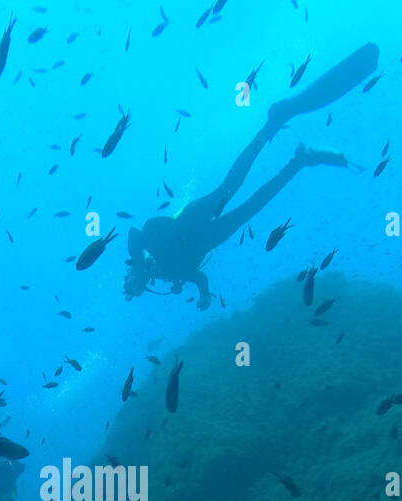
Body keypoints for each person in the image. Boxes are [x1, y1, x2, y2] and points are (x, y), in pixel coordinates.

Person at [123, 43, 379, 310]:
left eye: (132, 280)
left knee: (232, 184)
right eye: (137, 288)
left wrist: (139, 261)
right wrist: (204, 295)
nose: (137, 282)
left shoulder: (144, 247)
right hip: (210, 237)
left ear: (131, 272)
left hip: (191, 218)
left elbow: (133, 232)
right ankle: (300, 160)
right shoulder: (171, 274)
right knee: (253, 207)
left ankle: (274, 122)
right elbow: (199, 277)